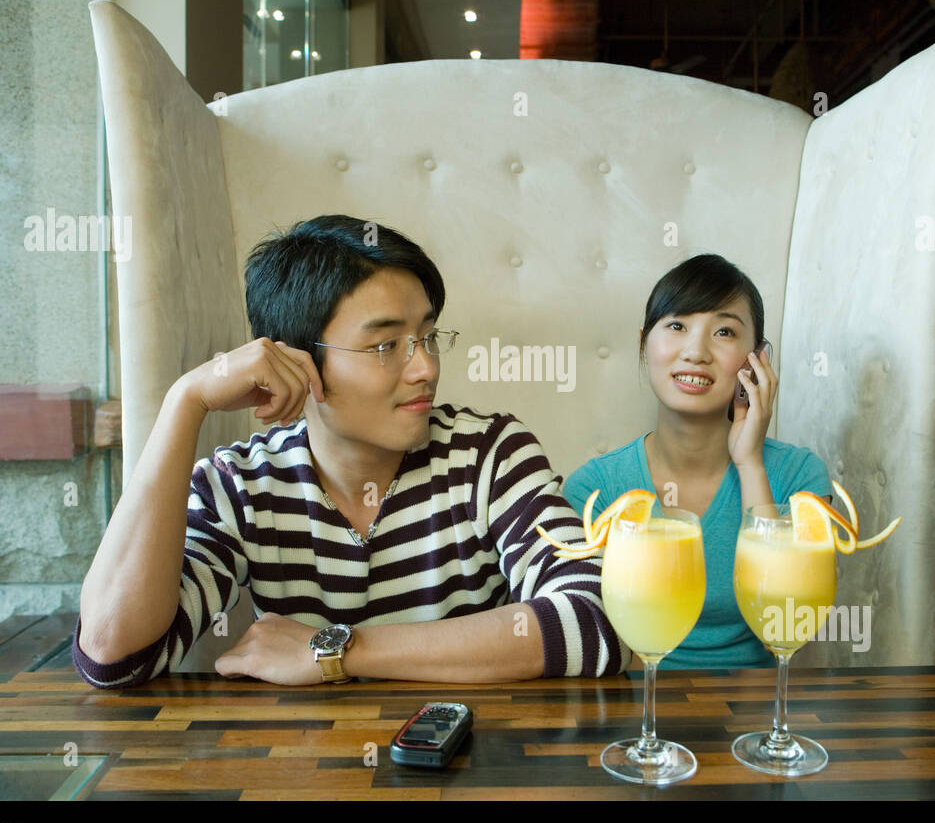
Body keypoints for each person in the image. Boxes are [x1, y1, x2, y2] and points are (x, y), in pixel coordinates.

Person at [74, 214, 625, 688]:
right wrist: (183, 403)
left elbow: (597, 621)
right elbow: (114, 655)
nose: (426, 368)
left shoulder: (490, 455)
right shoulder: (241, 485)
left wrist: (335, 651)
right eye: (385, 345)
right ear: (297, 359)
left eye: (428, 337)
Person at [563, 253, 832, 669]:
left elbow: (784, 629)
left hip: (752, 721)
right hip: (633, 721)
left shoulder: (798, 478)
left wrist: (750, 465)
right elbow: (585, 637)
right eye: (676, 326)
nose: (696, 351)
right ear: (643, 343)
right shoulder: (594, 491)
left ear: (756, 359)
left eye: (724, 331)